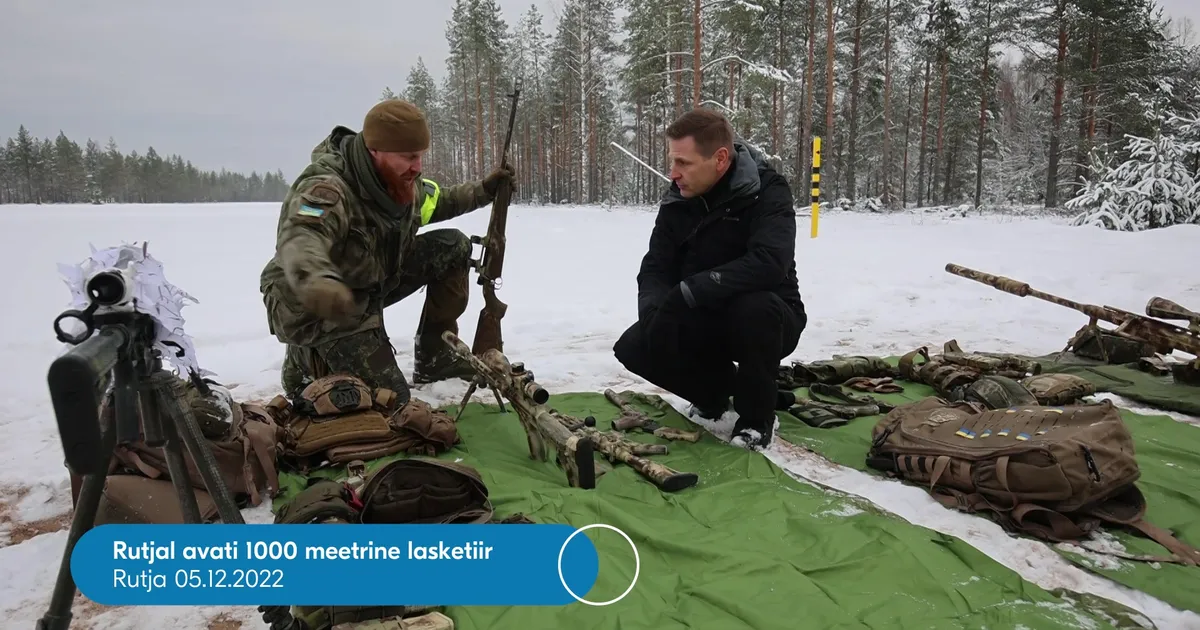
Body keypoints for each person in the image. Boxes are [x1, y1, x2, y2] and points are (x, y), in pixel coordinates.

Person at [259, 99, 513, 405]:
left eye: (420, 157)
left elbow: (440, 201)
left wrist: (484, 190)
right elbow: (301, 237)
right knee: (392, 404)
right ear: (375, 151)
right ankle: (308, 359)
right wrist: (318, 282)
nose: (417, 168)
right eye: (408, 158)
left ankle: (436, 359)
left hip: (365, 284)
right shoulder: (328, 188)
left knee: (453, 246)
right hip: (317, 304)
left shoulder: (400, 182)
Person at [612, 108, 806, 449]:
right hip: (704, 312)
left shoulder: (767, 189)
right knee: (636, 345)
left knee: (754, 309)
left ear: (719, 159)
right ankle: (715, 395)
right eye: (673, 162)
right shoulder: (678, 199)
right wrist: (655, 309)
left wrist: (690, 290)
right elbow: (656, 265)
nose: (673, 173)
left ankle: (756, 417)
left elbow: (770, 262)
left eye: (683, 163)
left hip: (770, 317)